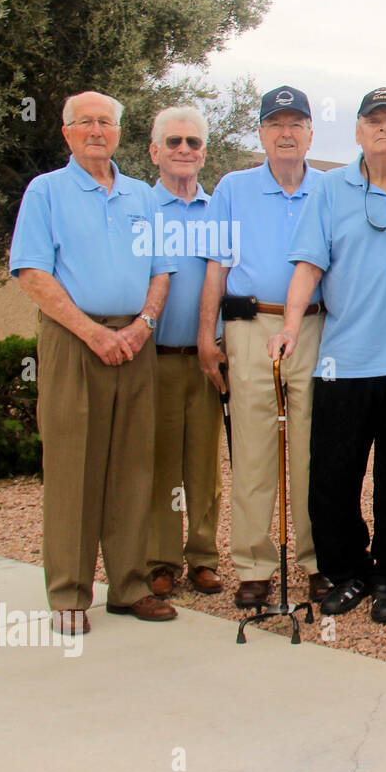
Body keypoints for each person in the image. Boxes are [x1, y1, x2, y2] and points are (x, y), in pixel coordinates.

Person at [269, 88, 386, 624]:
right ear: (356, 131)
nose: (384, 129)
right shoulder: (329, 189)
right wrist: (288, 326)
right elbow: (308, 264)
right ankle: (348, 573)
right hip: (344, 361)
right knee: (333, 476)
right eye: (374, 121)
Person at [9, 91, 177, 634]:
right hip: (72, 342)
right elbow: (33, 273)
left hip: (134, 340)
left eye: (106, 122)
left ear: (119, 132)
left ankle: (128, 588)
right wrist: (90, 333)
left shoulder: (142, 198)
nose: (97, 131)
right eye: (86, 122)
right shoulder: (47, 192)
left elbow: (161, 270)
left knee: (132, 468)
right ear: (67, 132)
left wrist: (142, 325)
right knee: (72, 466)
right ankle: (69, 593)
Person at [198, 86, 330, 609]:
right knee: (252, 450)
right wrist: (207, 337)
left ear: (311, 133)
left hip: (316, 330)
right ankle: (254, 566)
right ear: (261, 133)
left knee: (313, 451)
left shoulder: (330, 187)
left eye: (296, 123)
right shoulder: (234, 187)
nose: (286, 133)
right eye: (276, 124)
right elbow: (216, 266)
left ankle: (317, 562)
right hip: (250, 327)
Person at [144, 106, 224, 599]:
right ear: (154, 151)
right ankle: (160, 561)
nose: (184, 150)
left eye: (193, 143)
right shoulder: (137, 208)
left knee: (204, 463)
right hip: (153, 359)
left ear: (204, 153)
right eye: (173, 141)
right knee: (159, 464)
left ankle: (203, 557)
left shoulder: (219, 211)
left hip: (207, 359)